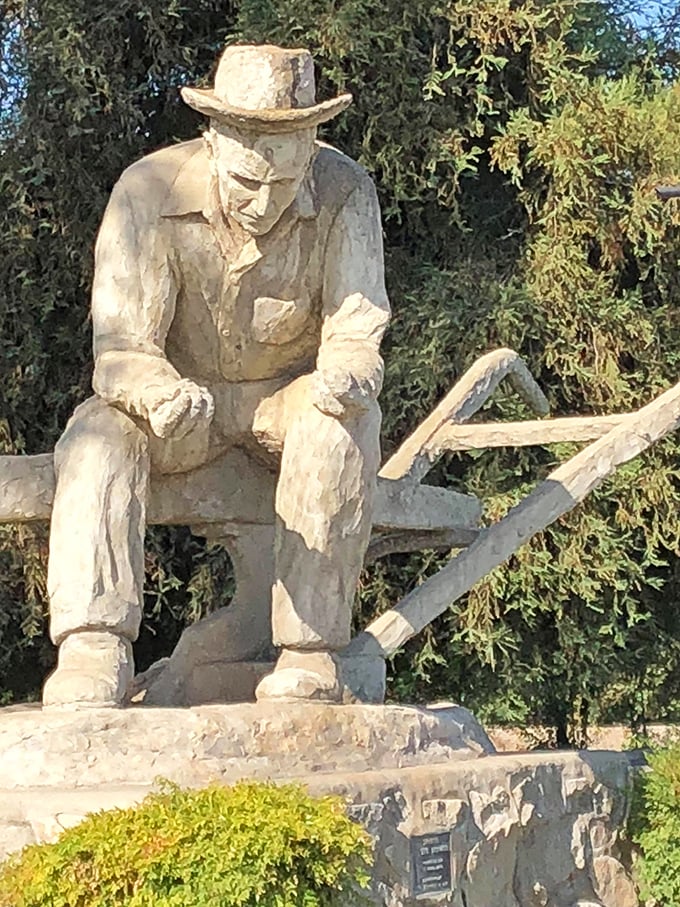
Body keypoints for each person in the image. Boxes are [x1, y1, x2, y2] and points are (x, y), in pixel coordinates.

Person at [43, 43, 391, 707]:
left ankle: (310, 654)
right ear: (213, 143)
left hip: (289, 401)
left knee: (341, 426)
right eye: (245, 185)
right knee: (97, 432)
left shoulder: (347, 194)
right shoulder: (147, 193)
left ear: (312, 149)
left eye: (285, 185)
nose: (263, 204)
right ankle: (93, 645)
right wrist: (154, 391)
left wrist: (346, 377)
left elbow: (356, 327)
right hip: (181, 403)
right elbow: (120, 346)